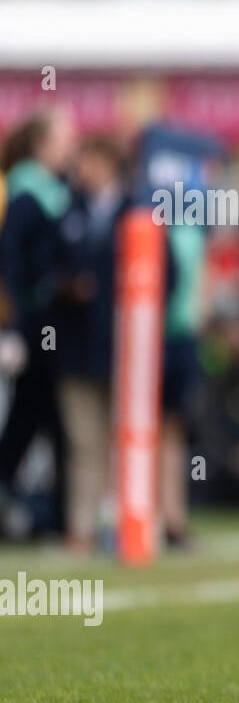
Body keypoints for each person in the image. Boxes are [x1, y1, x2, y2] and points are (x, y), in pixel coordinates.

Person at [0, 107, 78, 540]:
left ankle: (53, 516)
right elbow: (11, 264)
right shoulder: (27, 194)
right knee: (37, 420)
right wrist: (13, 327)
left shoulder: (56, 190)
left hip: (48, 328)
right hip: (34, 330)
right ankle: (58, 519)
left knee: (35, 421)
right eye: (64, 136)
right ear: (41, 144)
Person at [52, 135, 129, 555]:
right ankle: (80, 530)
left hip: (124, 348)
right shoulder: (69, 209)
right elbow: (44, 267)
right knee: (83, 442)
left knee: (125, 441)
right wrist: (64, 287)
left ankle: (123, 524)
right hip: (76, 347)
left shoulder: (137, 210)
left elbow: (163, 274)